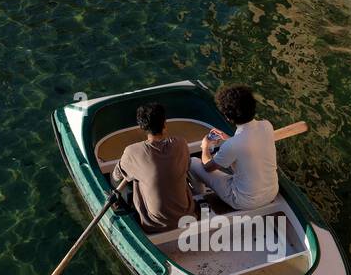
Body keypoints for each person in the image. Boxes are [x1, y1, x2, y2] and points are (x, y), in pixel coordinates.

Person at [189, 85, 278, 211]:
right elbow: (248, 143)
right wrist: (230, 139)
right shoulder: (267, 126)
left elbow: (207, 167)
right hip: (271, 193)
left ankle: (200, 195)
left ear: (228, 117)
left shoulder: (232, 145)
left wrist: (204, 147)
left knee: (193, 162)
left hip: (243, 201)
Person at [112, 102, 194, 232]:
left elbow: (116, 177)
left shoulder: (132, 151)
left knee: (129, 178)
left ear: (141, 127)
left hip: (154, 225)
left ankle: (127, 210)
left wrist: (130, 163)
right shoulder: (181, 143)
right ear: (164, 124)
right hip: (186, 216)